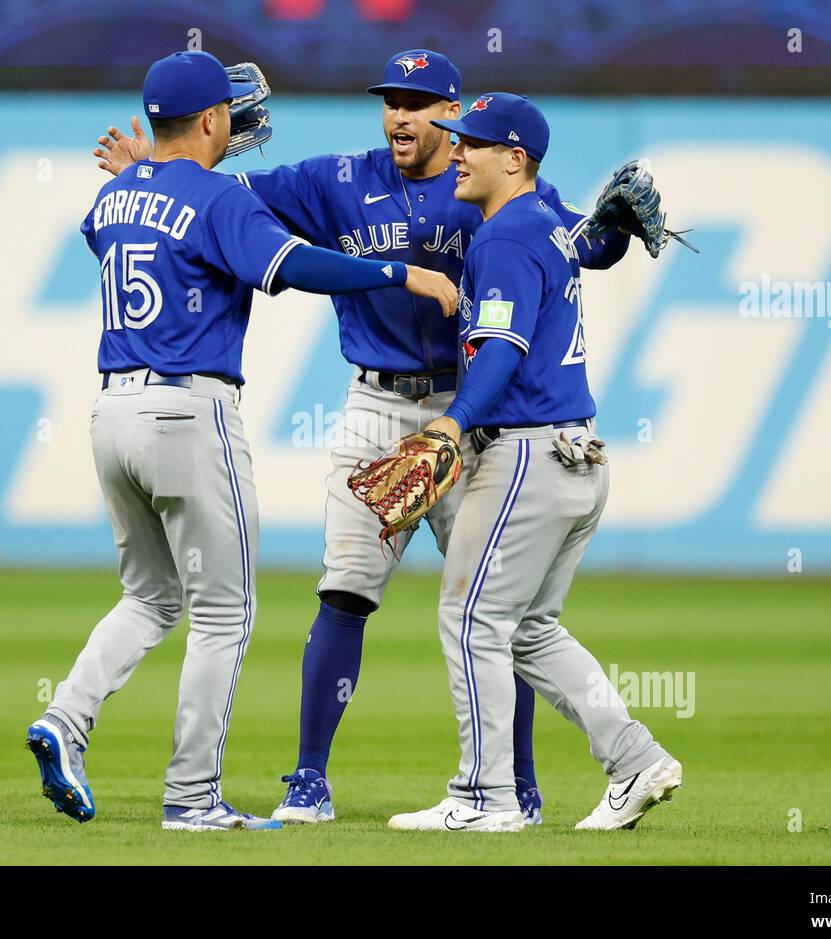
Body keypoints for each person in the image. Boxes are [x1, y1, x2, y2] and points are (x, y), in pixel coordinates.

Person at [93, 50, 633, 827]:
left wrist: (616, 234)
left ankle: (517, 786)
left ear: (454, 117)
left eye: (421, 103)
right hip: (376, 404)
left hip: (470, 410)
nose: (402, 117)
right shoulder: (335, 180)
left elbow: (583, 243)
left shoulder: (489, 184)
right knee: (344, 589)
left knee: (497, 611)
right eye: (392, 102)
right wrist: (158, 164)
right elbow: (219, 195)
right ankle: (310, 779)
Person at [25, 50, 457, 832]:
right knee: (225, 614)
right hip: (188, 413)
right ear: (211, 119)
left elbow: (121, 231)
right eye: (228, 108)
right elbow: (295, 266)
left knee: (151, 596)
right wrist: (402, 277)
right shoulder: (222, 198)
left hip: (110, 414)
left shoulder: (117, 194)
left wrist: (145, 176)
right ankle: (192, 797)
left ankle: (64, 720)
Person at [387, 93, 682, 832]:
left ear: (513, 158)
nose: (455, 153)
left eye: (472, 145)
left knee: (471, 618)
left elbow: (501, 351)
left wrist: (454, 424)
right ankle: (635, 759)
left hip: (525, 454)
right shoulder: (545, 219)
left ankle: (485, 798)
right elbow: (594, 242)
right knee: (530, 629)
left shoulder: (503, 242)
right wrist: (609, 233)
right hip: (578, 455)